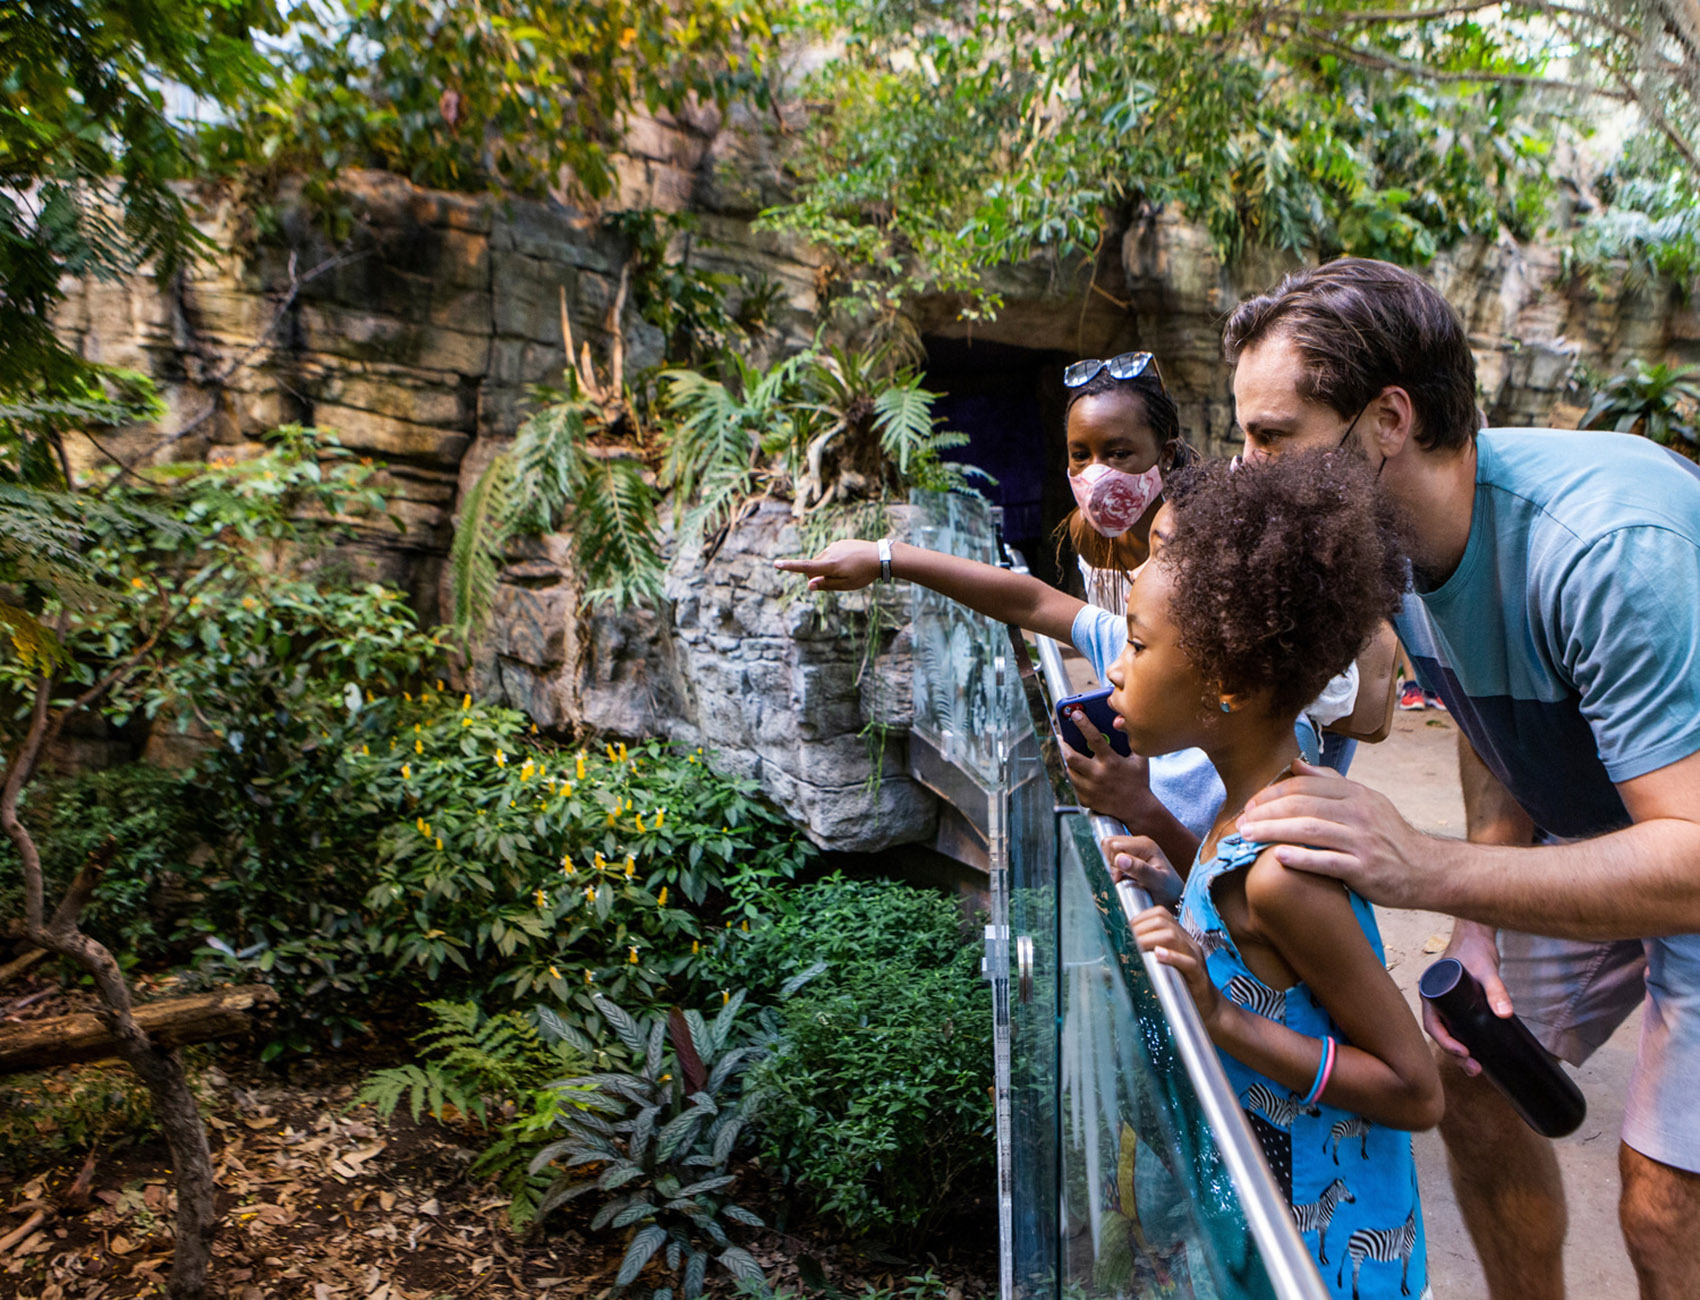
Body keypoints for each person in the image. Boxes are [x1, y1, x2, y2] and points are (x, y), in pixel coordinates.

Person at [1218, 256, 1700, 1299]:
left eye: (1270, 436)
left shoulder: (1603, 549)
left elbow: (1687, 864)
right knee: (1473, 1075)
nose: (1244, 470)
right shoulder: (1390, 548)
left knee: (1664, 1202)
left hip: (1685, 848)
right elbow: (1496, 716)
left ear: (1387, 419)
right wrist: (1477, 919)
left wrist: (1427, 869)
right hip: (1614, 833)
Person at [1108, 451, 1439, 1300]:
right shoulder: (1245, 812)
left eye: (1138, 646)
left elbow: (1415, 1089)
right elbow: (1266, 959)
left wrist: (1219, 1017)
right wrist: (1176, 864)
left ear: (1223, 685)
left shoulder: (1283, 870)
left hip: (1320, 1256)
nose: (1115, 669)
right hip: (1258, 1201)